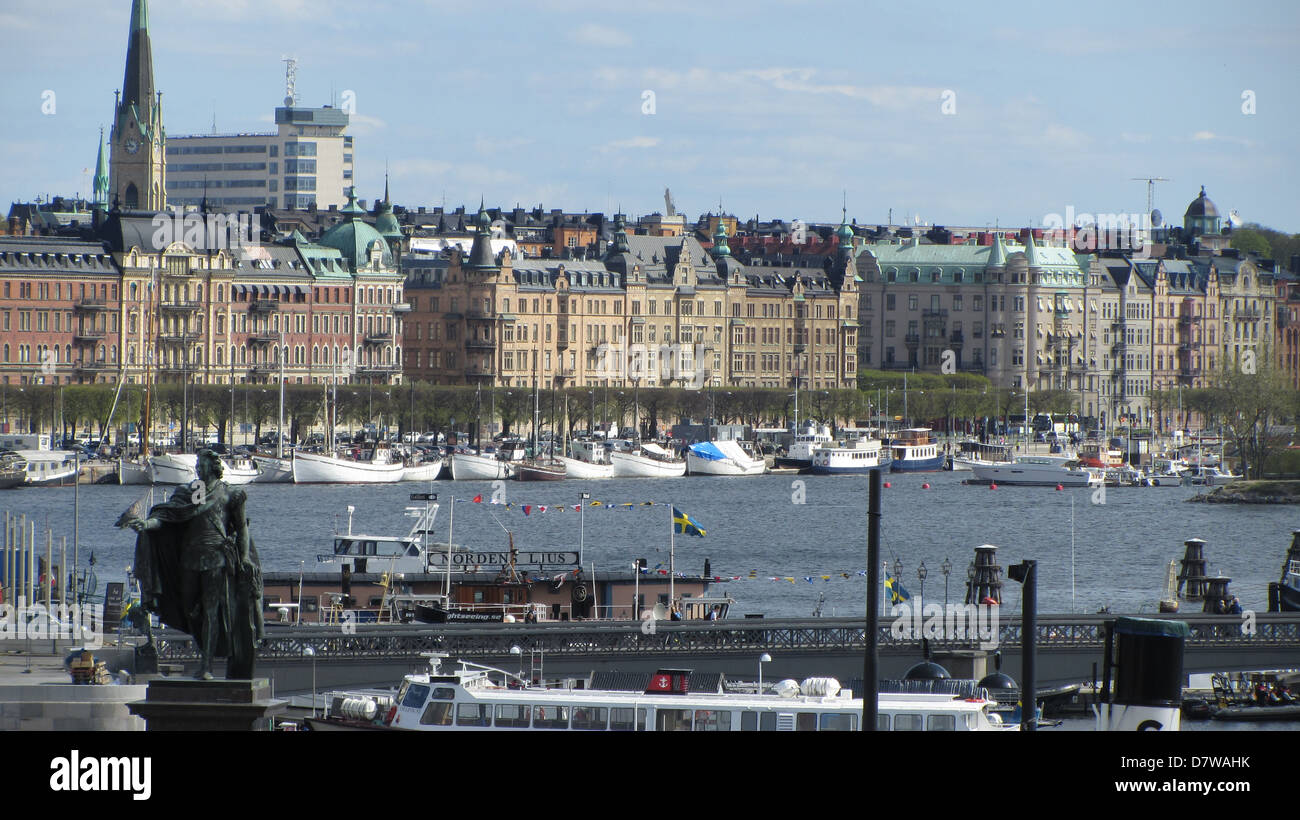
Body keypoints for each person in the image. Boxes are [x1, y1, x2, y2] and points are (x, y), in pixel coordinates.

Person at [127, 450, 264, 680]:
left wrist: (245, 557)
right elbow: (169, 517)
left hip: (216, 558)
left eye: (202, 464)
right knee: (190, 607)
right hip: (189, 558)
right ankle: (205, 654)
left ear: (213, 467)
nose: (199, 468)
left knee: (210, 611)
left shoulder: (230, 494)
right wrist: (147, 525)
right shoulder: (188, 492)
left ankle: (206, 665)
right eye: (198, 464)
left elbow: (242, 529)